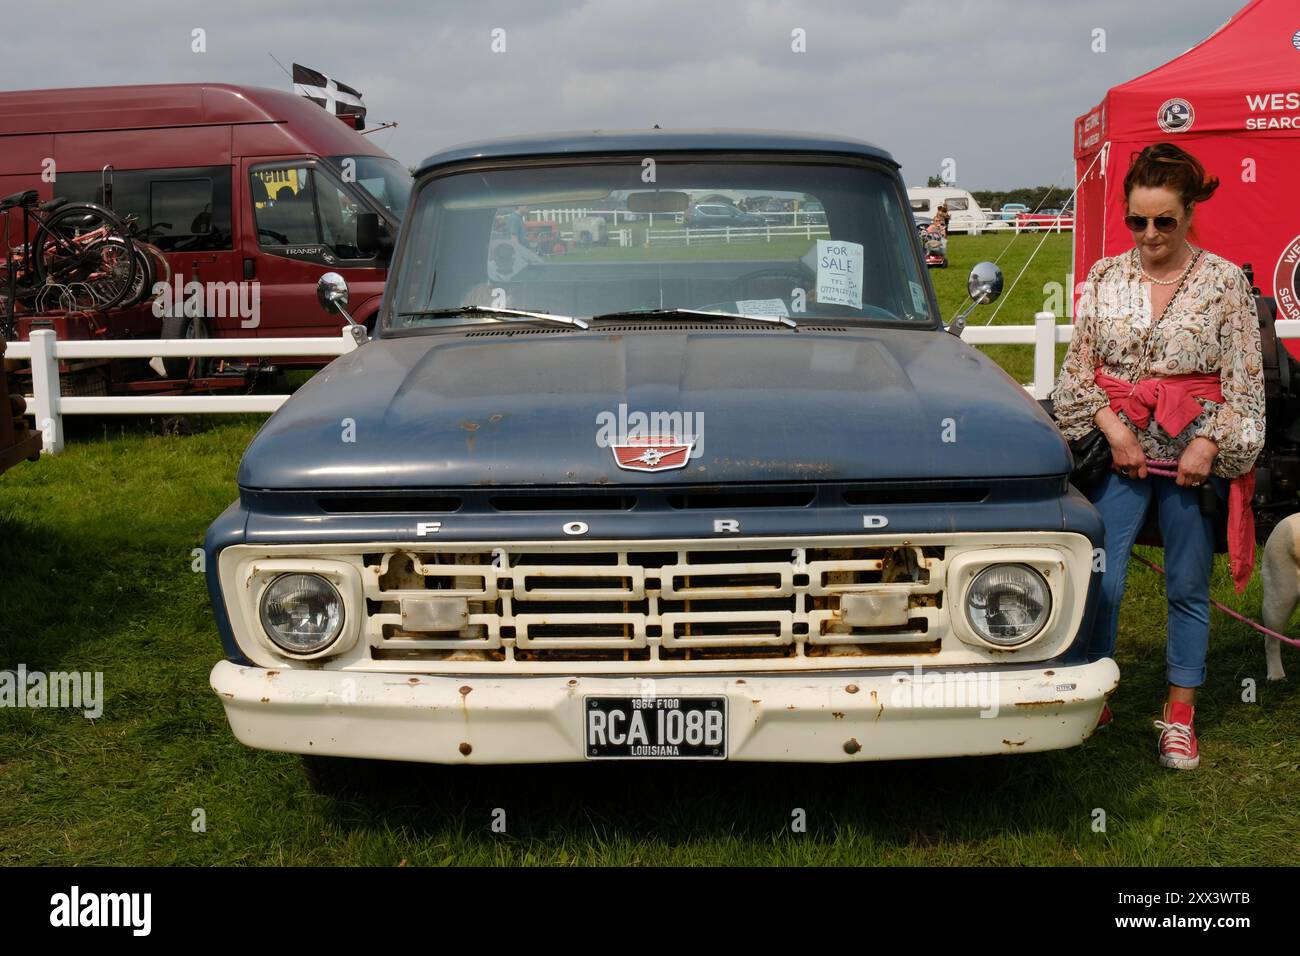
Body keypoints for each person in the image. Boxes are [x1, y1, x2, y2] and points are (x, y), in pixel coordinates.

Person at [1050, 142, 1264, 771]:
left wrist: (1208, 442)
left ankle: (1179, 711)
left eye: (1164, 220)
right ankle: (1098, 690)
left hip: (1192, 459)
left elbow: (1246, 390)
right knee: (1102, 579)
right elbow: (1075, 378)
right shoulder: (1107, 277)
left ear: (1189, 213)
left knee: (1187, 586)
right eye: (1137, 220)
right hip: (1120, 453)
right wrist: (1114, 430)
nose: (1149, 234)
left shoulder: (1225, 284)